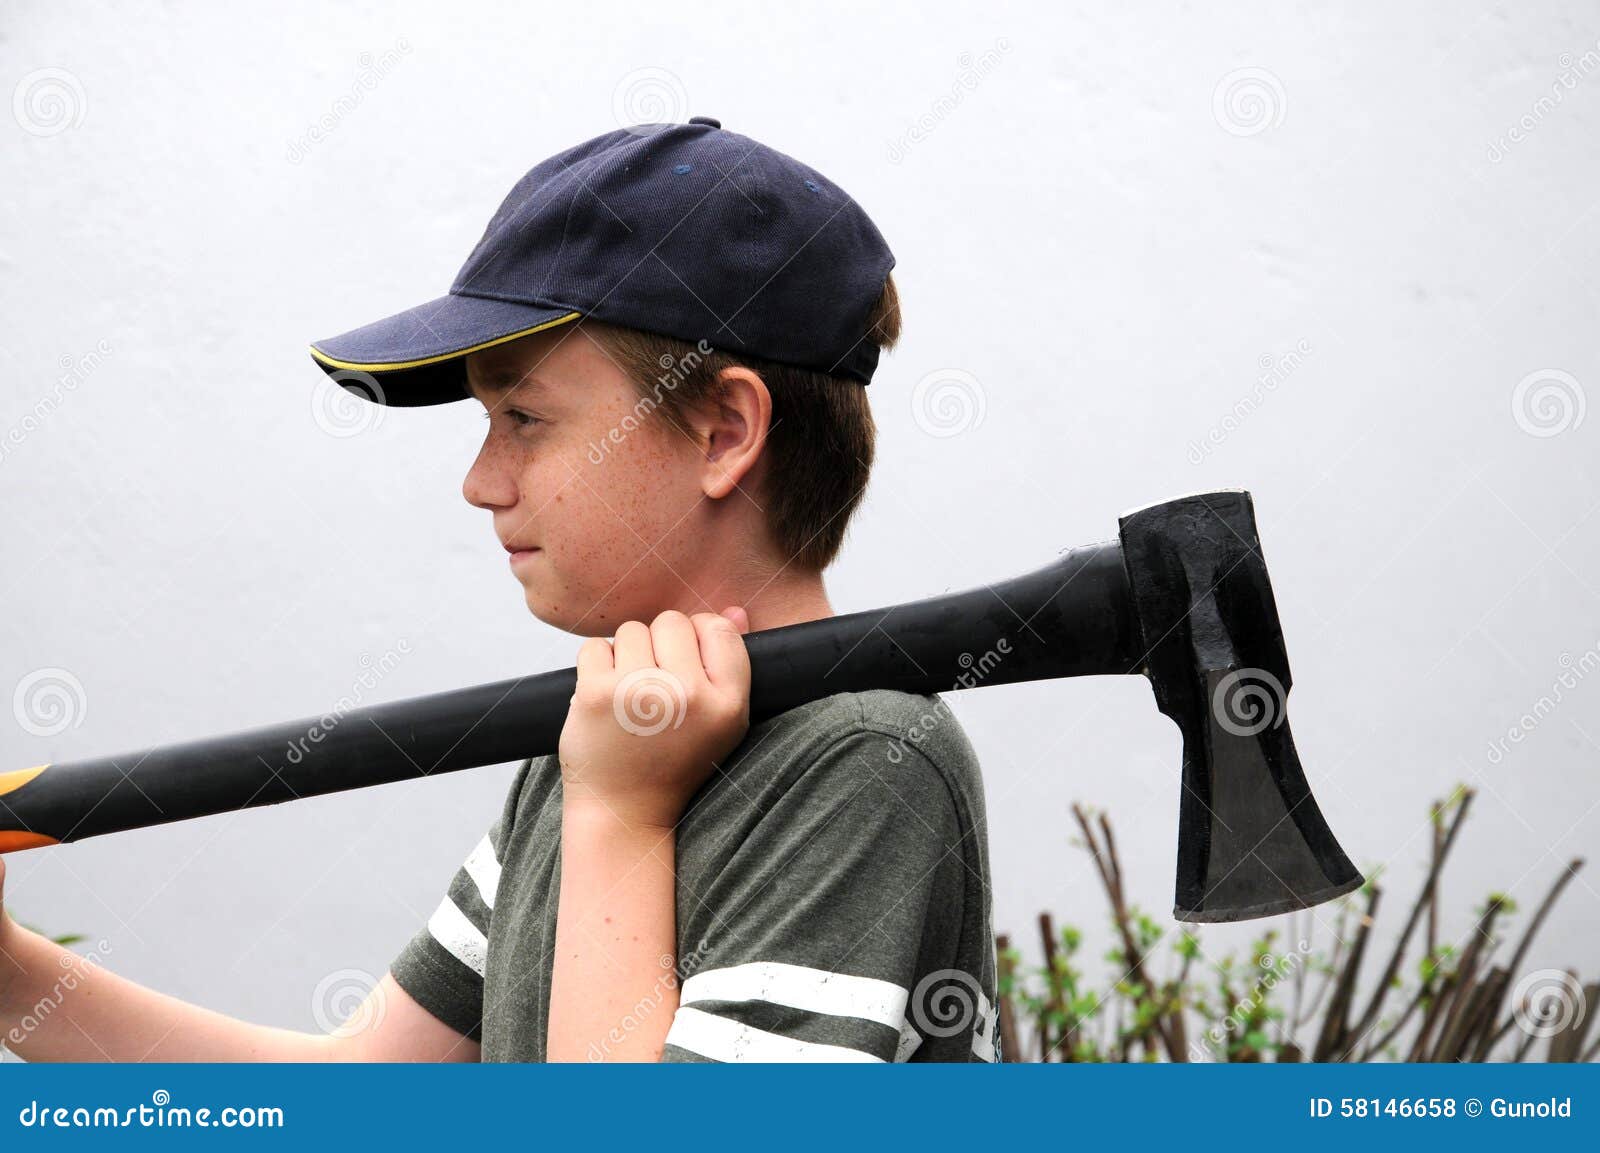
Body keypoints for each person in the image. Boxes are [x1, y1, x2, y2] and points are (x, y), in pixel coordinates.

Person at [0, 117, 997, 1063]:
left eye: (523, 416)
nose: (480, 482)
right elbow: (363, 1097)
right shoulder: (602, 747)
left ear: (723, 431)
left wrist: (618, 818)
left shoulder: (861, 764)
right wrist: (8, 976)